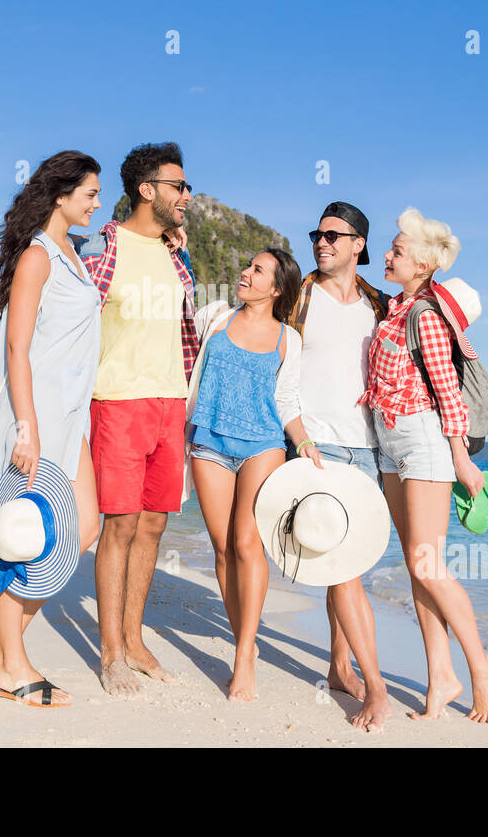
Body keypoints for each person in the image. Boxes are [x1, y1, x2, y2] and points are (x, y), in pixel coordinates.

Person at [360, 207, 488, 723]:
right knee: (417, 567)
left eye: (396, 251)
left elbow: (449, 395)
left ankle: (481, 665)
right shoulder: (396, 307)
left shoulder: (426, 315)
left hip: (424, 444)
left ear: (421, 264)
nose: (388, 255)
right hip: (390, 446)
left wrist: (462, 459)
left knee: (427, 564)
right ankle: (440, 676)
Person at [0, 149, 105, 706]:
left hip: (69, 415)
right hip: (37, 417)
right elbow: (16, 346)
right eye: (91, 194)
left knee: (84, 530)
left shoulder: (72, 255)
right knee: (25, 539)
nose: (98, 204)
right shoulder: (37, 258)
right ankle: (11, 665)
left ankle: (0, 641)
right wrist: (25, 426)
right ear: (61, 194)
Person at [78, 141, 197, 696]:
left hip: (171, 403)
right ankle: (110, 655)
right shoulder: (101, 250)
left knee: (153, 524)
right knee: (119, 526)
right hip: (117, 401)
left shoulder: (179, 255)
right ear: (147, 190)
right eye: (178, 186)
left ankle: (134, 638)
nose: (187, 196)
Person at [186, 248, 313, 702]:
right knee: (222, 549)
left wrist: (304, 442)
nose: (245, 272)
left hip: (263, 444)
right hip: (209, 442)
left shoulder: (287, 340)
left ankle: (242, 658)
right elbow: (181, 347)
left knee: (246, 543)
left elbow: (287, 401)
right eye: (248, 267)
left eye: (257, 270)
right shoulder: (216, 317)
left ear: (276, 288)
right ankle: (247, 640)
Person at [287, 200, 393, 730]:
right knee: (344, 568)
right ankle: (376, 687)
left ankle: (338, 664)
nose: (321, 242)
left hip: (368, 449)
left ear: (358, 246)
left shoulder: (379, 304)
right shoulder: (298, 294)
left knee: (348, 571)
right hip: (317, 448)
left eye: (333, 235)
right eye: (317, 234)